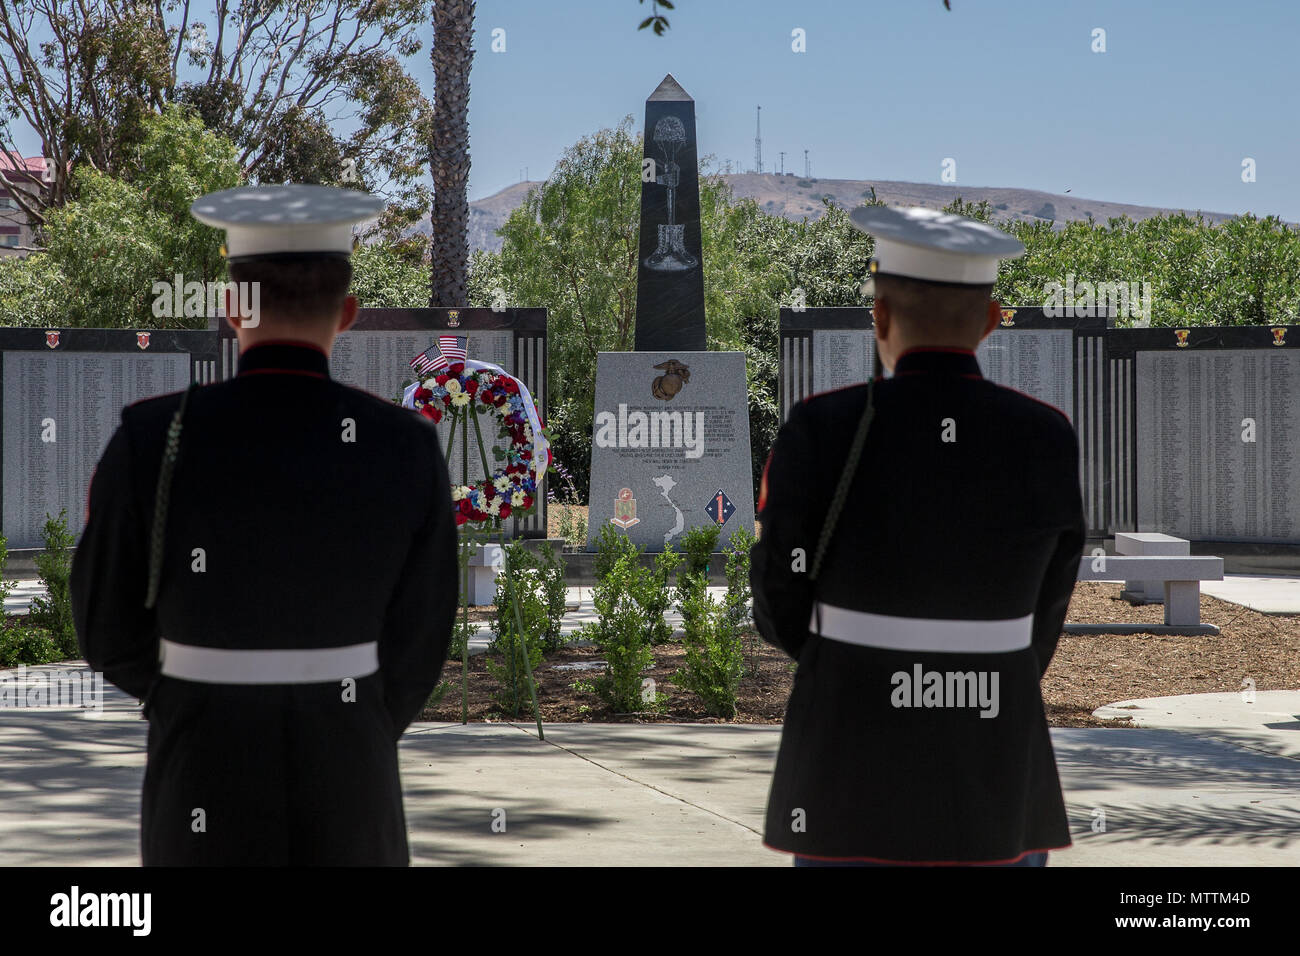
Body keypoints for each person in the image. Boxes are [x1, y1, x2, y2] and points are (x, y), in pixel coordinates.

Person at [70, 184, 458, 866]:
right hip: (351, 767)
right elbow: (422, 638)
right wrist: (354, 715)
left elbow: (105, 623)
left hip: (202, 757)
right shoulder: (405, 444)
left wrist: (188, 696)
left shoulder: (151, 436)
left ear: (231, 308)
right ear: (348, 313)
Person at [751, 205, 1085, 867]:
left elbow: (778, 594)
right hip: (994, 756)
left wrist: (847, 660)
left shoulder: (821, 428)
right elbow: (1048, 605)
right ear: (991, 322)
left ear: (879, 317)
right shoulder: (1046, 435)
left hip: (848, 753)